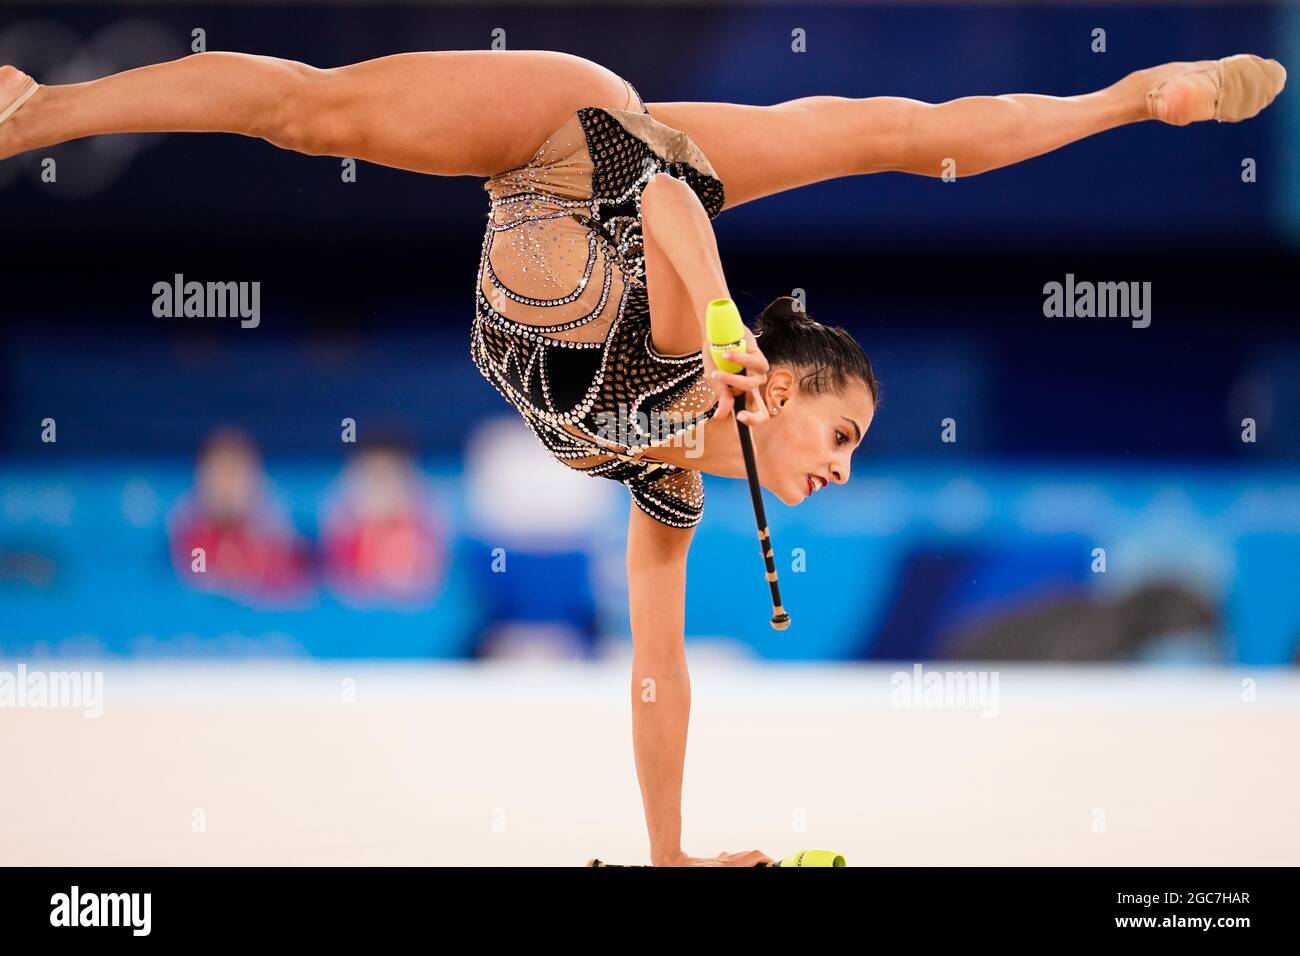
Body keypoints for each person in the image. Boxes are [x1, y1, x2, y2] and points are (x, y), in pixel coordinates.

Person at [1, 48, 1284, 866]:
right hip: (567, 133)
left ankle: (1128, 90)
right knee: (306, 110)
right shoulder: (697, 349)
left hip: (591, 201)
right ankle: (41, 107)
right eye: (839, 434)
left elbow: (659, 676)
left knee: (896, 133)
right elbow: (663, 200)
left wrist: (667, 859)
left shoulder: (670, 484)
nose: (842, 467)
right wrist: (720, 322)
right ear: (777, 388)